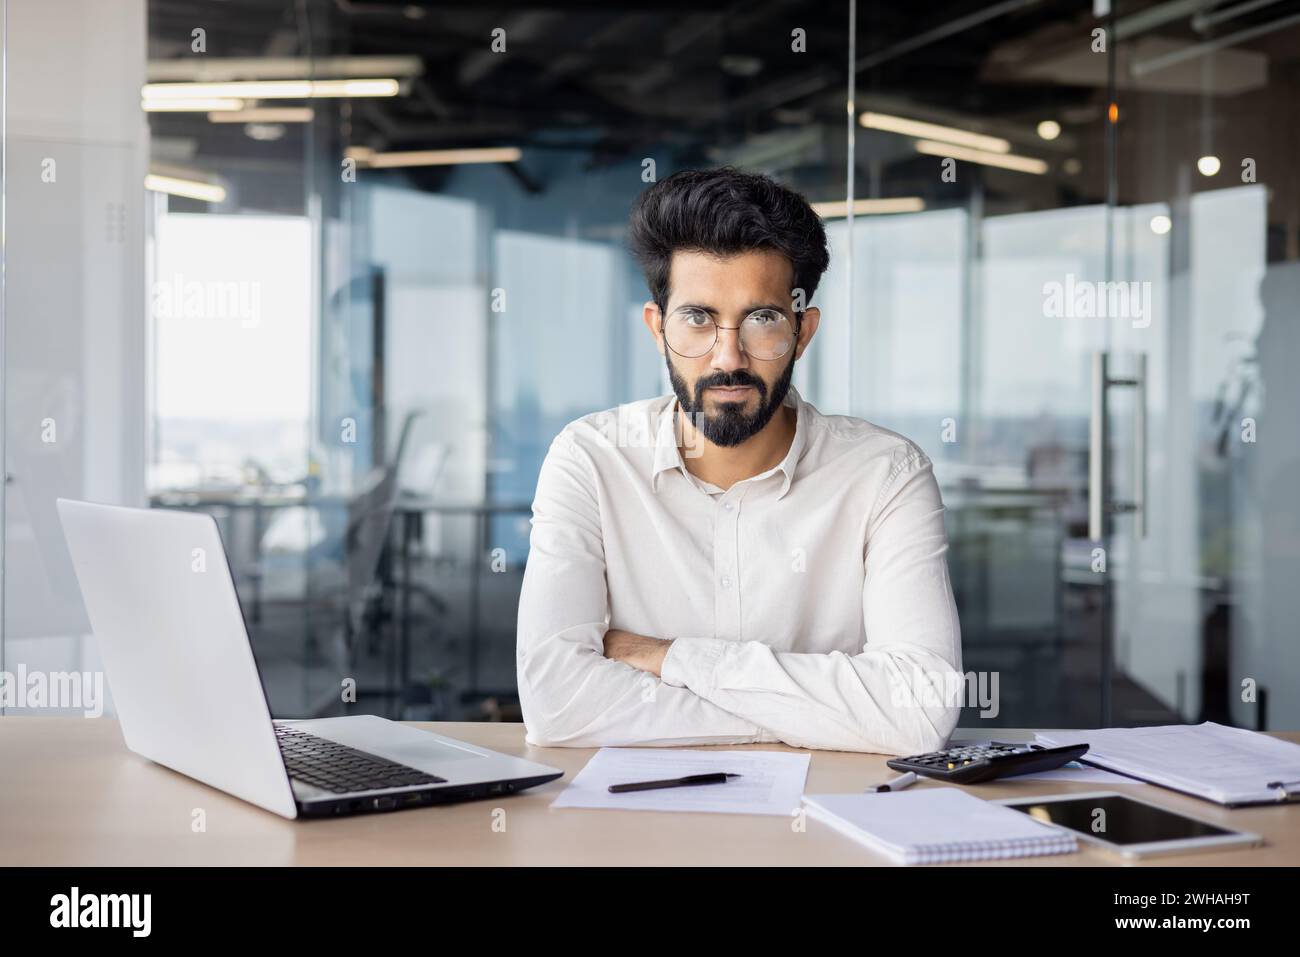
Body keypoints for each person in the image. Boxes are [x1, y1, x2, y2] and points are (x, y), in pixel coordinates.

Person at [515, 167, 963, 753]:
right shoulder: (591, 459)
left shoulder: (885, 475)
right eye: (698, 317)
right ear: (658, 329)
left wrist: (666, 657)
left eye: (762, 319)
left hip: (826, 826)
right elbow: (556, 704)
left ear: (803, 332)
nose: (728, 356)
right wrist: (810, 716)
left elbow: (920, 706)